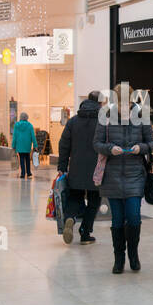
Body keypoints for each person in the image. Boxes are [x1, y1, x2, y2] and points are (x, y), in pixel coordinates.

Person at [95, 86, 153, 274]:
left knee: (134, 217)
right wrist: (109, 148)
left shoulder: (142, 116)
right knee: (117, 221)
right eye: (120, 103)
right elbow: (96, 143)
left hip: (135, 175)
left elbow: (152, 143)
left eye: (127, 103)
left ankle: (133, 255)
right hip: (112, 175)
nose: (124, 107)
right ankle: (118, 258)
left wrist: (141, 148)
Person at [57, 90, 102, 245]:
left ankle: (70, 217)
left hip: (76, 168)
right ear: (100, 103)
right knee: (94, 201)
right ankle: (85, 232)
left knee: (75, 197)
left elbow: (63, 145)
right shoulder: (103, 122)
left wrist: (62, 166)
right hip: (97, 171)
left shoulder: (73, 121)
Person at [12, 112, 36, 178]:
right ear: (27, 118)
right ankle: (29, 173)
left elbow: (14, 136)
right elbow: (33, 136)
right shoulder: (30, 125)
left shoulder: (16, 125)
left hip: (19, 145)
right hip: (27, 145)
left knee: (21, 158)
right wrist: (35, 145)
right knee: (27, 158)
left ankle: (22, 173)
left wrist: (13, 145)